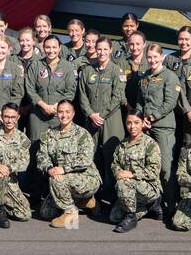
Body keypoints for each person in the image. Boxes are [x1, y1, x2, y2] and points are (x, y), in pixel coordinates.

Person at [35, 100, 100, 228]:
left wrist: (63, 169)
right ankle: (85, 201)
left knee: (57, 181)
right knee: (45, 213)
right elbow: (41, 156)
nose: (64, 115)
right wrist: (49, 169)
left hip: (86, 178)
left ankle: (70, 212)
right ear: (56, 114)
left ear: (74, 113)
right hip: (60, 177)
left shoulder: (82, 134)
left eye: (67, 112)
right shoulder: (49, 134)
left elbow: (85, 160)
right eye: (60, 112)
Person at [76, 36, 127, 189]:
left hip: (110, 120)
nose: (102, 52)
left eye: (105, 49)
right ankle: (92, 193)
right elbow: (82, 95)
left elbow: (117, 97)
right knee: (90, 156)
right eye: (99, 49)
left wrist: (101, 116)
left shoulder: (116, 71)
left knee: (111, 157)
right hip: (91, 119)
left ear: (111, 50)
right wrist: (91, 114)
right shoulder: (87, 71)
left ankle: (111, 194)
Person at [108, 110, 163, 233]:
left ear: (143, 123)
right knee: (114, 217)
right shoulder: (122, 144)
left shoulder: (150, 144)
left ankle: (131, 216)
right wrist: (118, 173)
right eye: (129, 123)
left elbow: (153, 172)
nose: (132, 126)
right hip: (129, 188)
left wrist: (131, 175)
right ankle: (148, 207)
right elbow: (115, 163)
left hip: (148, 187)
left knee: (123, 183)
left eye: (136, 122)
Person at [137, 43, 182, 192]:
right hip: (145, 127)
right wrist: (140, 119)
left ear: (162, 57)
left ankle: (170, 204)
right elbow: (140, 101)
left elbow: (170, 102)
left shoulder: (170, 77)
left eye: (155, 57)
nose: (152, 60)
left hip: (163, 127)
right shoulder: (144, 77)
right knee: (147, 166)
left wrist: (152, 117)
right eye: (149, 57)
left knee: (165, 167)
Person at [26, 34, 78, 139]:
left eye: (54, 47)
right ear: (43, 48)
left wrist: (56, 107)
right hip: (38, 115)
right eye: (48, 47)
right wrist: (44, 106)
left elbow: (70, 91)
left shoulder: (67, 67)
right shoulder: (35, 65)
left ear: (59, 48)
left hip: (59, 116)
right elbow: (30, 89)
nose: (51, 50)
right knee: (36, 147)